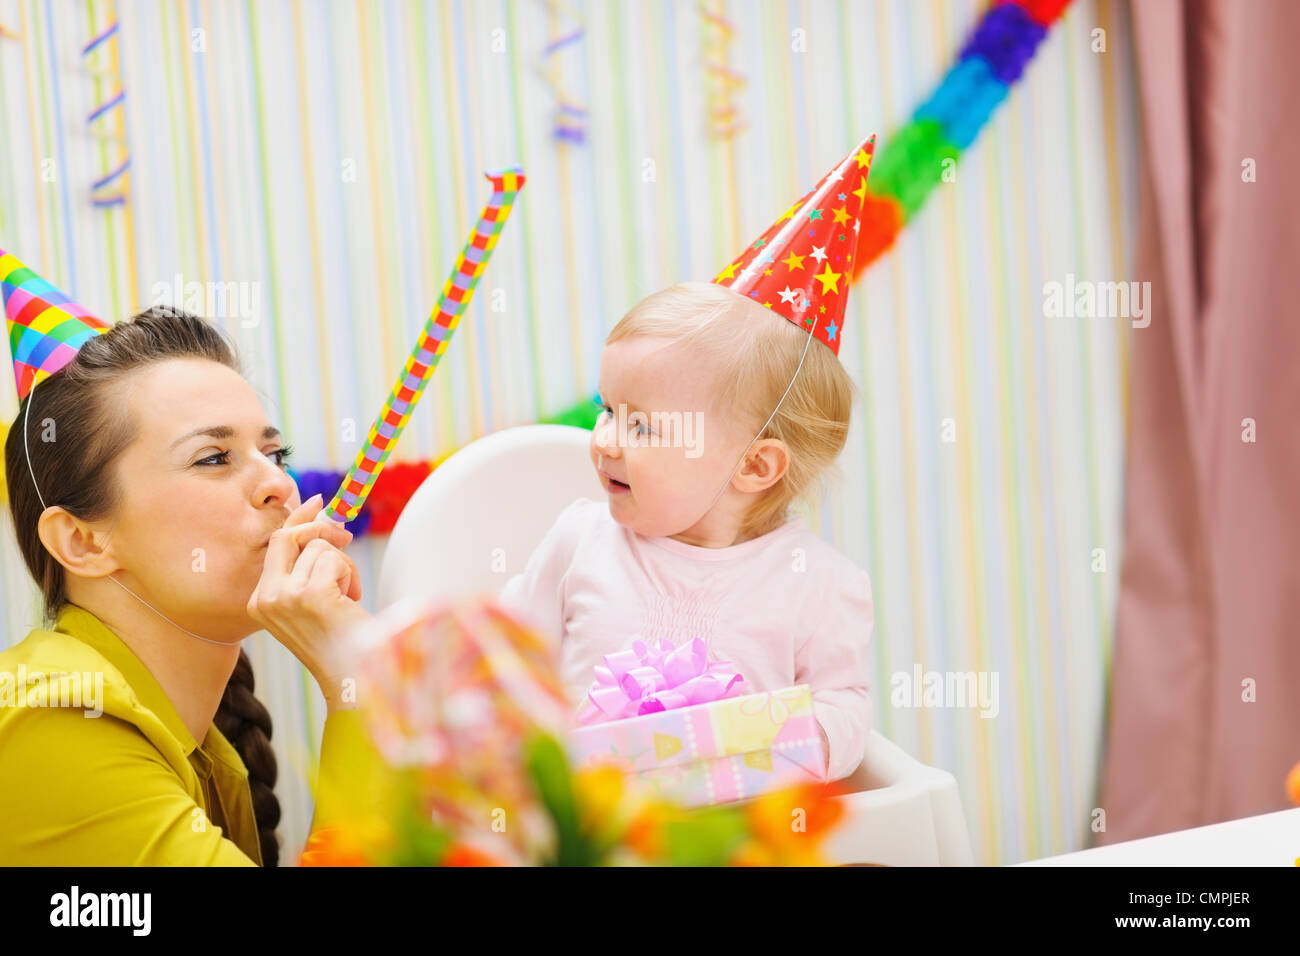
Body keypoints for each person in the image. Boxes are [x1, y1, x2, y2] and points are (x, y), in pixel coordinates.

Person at [500, 136, 877, 782]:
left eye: (641, 425)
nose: (605, 438)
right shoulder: (580, 542)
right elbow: (501, 652)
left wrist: (801, 738)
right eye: (607, 409)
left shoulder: (817, 583)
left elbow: (848, 705)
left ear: (755, 467)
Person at [0, 260, 376, 865]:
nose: (279, 484)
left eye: (275, 452)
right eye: (212, 458)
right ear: (82, 542)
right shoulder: (52, 717)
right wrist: (363, 683)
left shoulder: (201, 747)